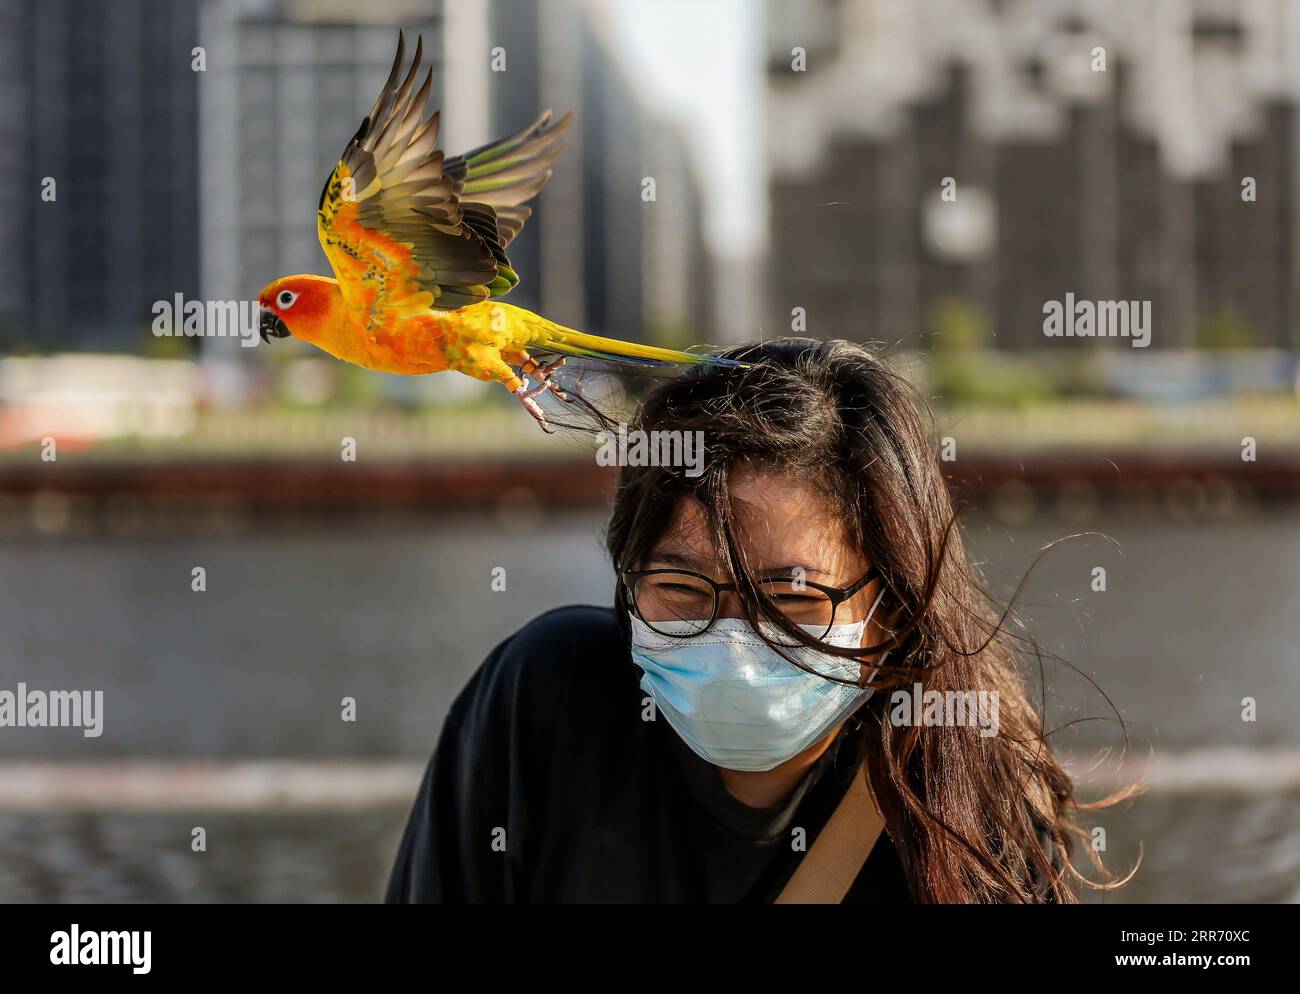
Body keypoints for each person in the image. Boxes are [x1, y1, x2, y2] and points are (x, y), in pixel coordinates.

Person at [386, 338, 1096, 903]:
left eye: (790, 601)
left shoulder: (967, 801)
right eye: (682, 590)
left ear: (893, 608)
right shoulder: (548, 696)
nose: (735, 641)